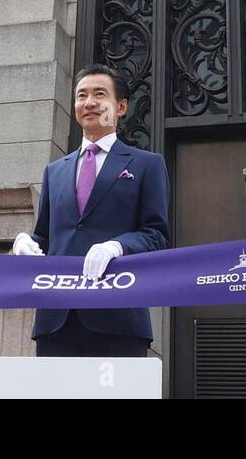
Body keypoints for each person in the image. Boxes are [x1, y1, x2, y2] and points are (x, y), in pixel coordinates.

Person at [13, 63, 170, 357]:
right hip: (56, 321)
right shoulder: (54, 171)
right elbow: (44, 237)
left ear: (121, 107)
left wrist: (117, 246)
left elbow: (157, 234)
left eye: (100, 94)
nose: (89, 103)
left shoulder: (147, 164)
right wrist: (26, 242)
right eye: (81, 95)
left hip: (117, 318)